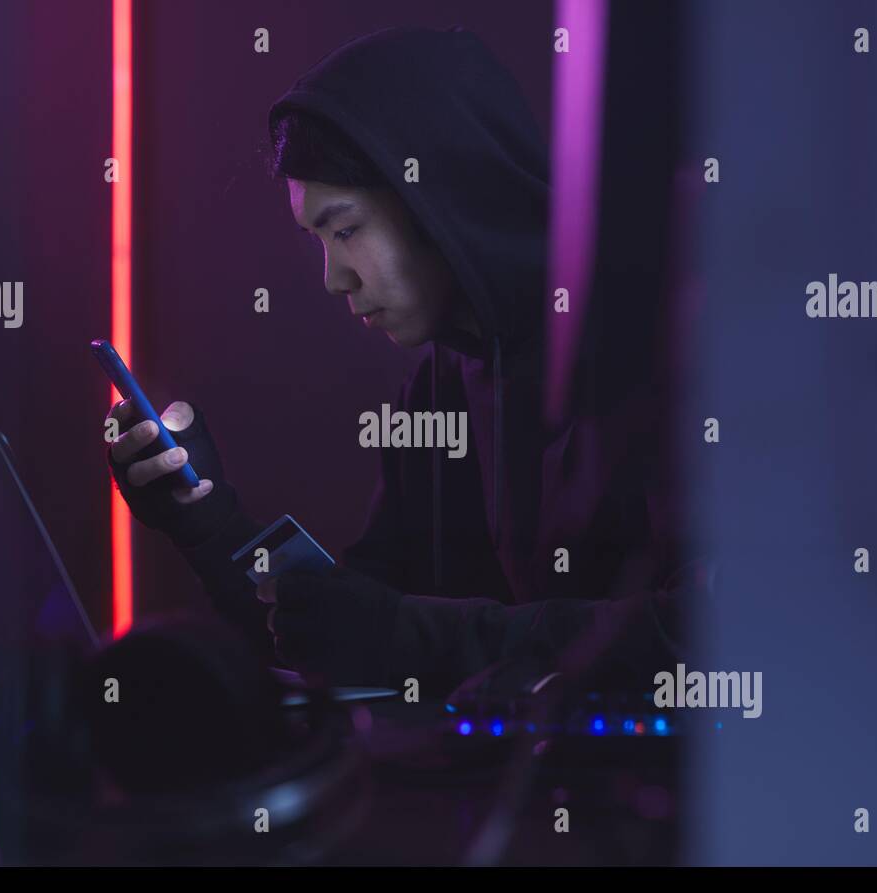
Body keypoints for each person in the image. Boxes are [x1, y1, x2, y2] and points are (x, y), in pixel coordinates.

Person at [105, 26, 697, 697]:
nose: (334, 279)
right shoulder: (442, 383)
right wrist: (206, 521)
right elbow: (351, 630)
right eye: (317, 240)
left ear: (442, 197)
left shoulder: (667, 331)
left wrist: (405, 635)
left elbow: (702, 635)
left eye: (347, 229)